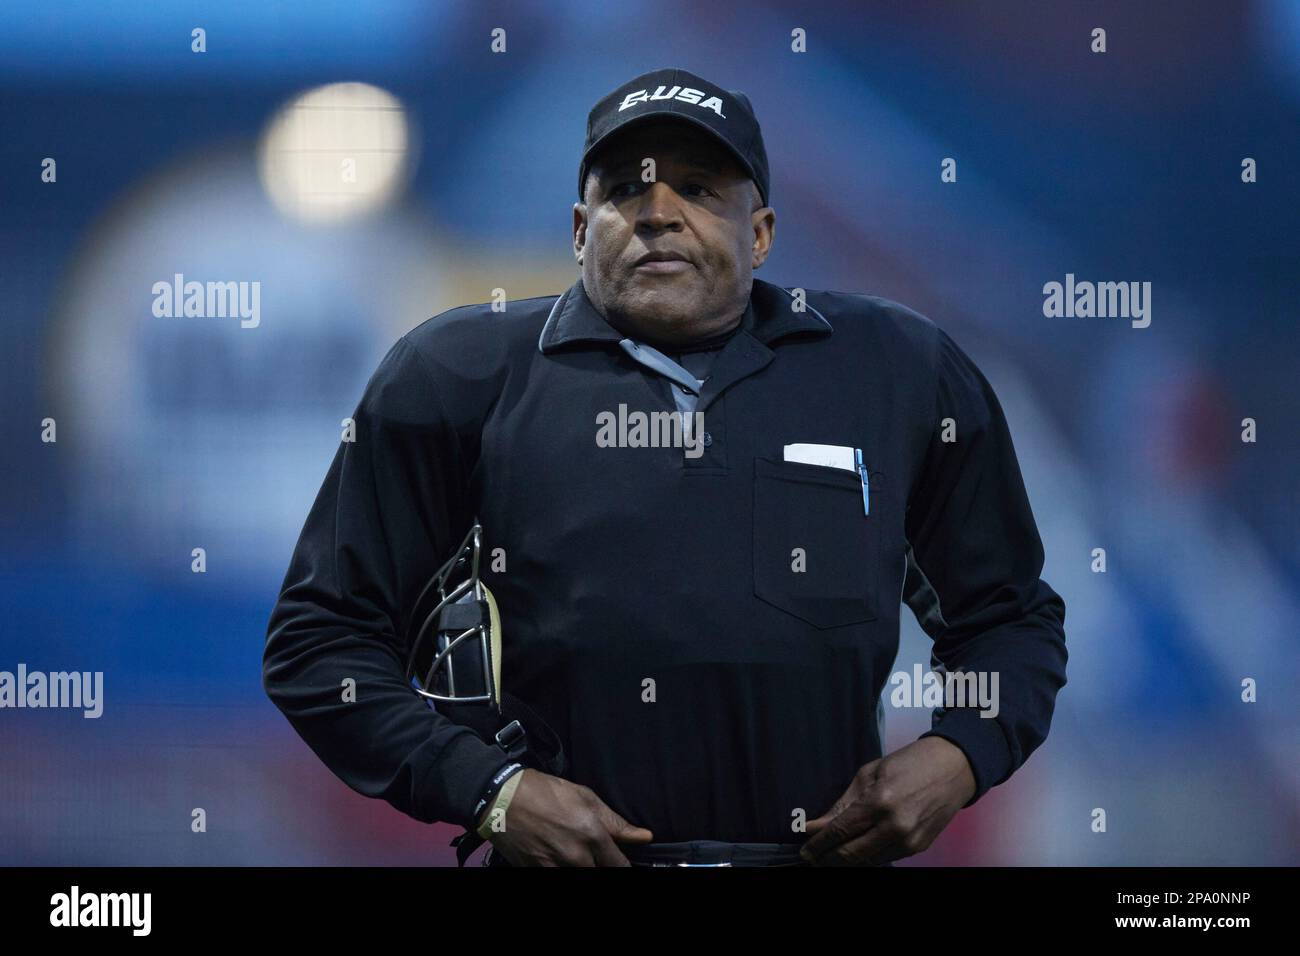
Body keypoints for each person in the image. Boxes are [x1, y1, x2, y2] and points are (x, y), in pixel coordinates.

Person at [263, 67, 1068, 867]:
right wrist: (492, 790)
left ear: (760, 233)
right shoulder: (458, 374)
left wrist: (960, 754)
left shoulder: (896, 368)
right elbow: (320, 641)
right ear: (581, 230)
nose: (658, 214)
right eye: (624, 190)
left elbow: (1008, 618)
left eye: (699, 188)